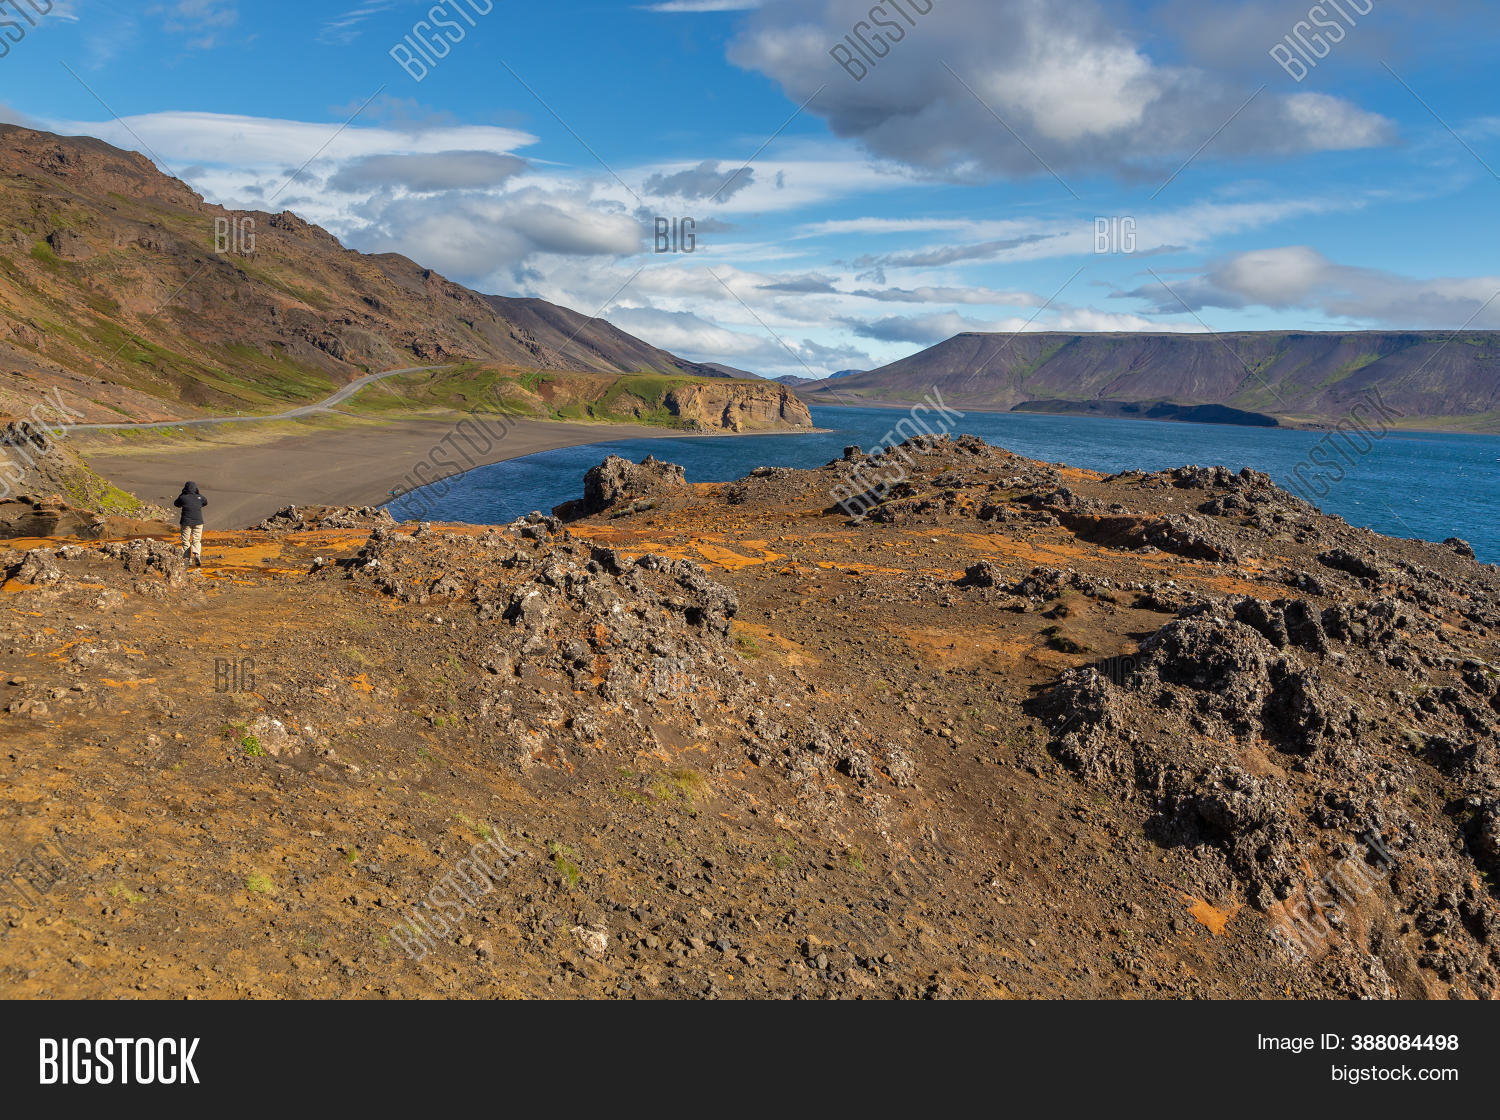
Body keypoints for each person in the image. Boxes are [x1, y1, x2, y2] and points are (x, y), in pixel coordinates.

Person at [174, 481, 208, 567]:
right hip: (198, 521)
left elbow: (176, 504)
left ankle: (187, 559)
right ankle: (196, 554)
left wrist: (182, 493)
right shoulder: (200, 497)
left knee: (186, 541)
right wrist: (197, 494)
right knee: (196, 539)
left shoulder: (183, 497)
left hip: (186, 522)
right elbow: (205, 502)